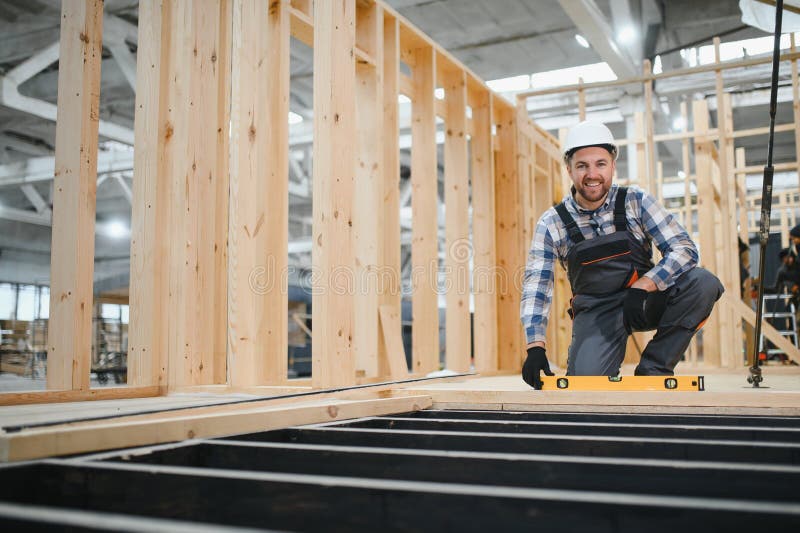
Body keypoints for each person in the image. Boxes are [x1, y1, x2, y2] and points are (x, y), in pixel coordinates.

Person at [519, 120, 724, 389]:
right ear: (569, 169)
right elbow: (537, 286)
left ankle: (654, 367)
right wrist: (535, 347)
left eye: (600, 164)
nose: (592, 174)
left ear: (613, 166)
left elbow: (684, 249)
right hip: (596, 313)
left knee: (702, 283)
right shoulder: (552, 223)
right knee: (586, 388)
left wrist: (645, 285)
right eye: (582, 166)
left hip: (643, 300)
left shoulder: (636, 201)